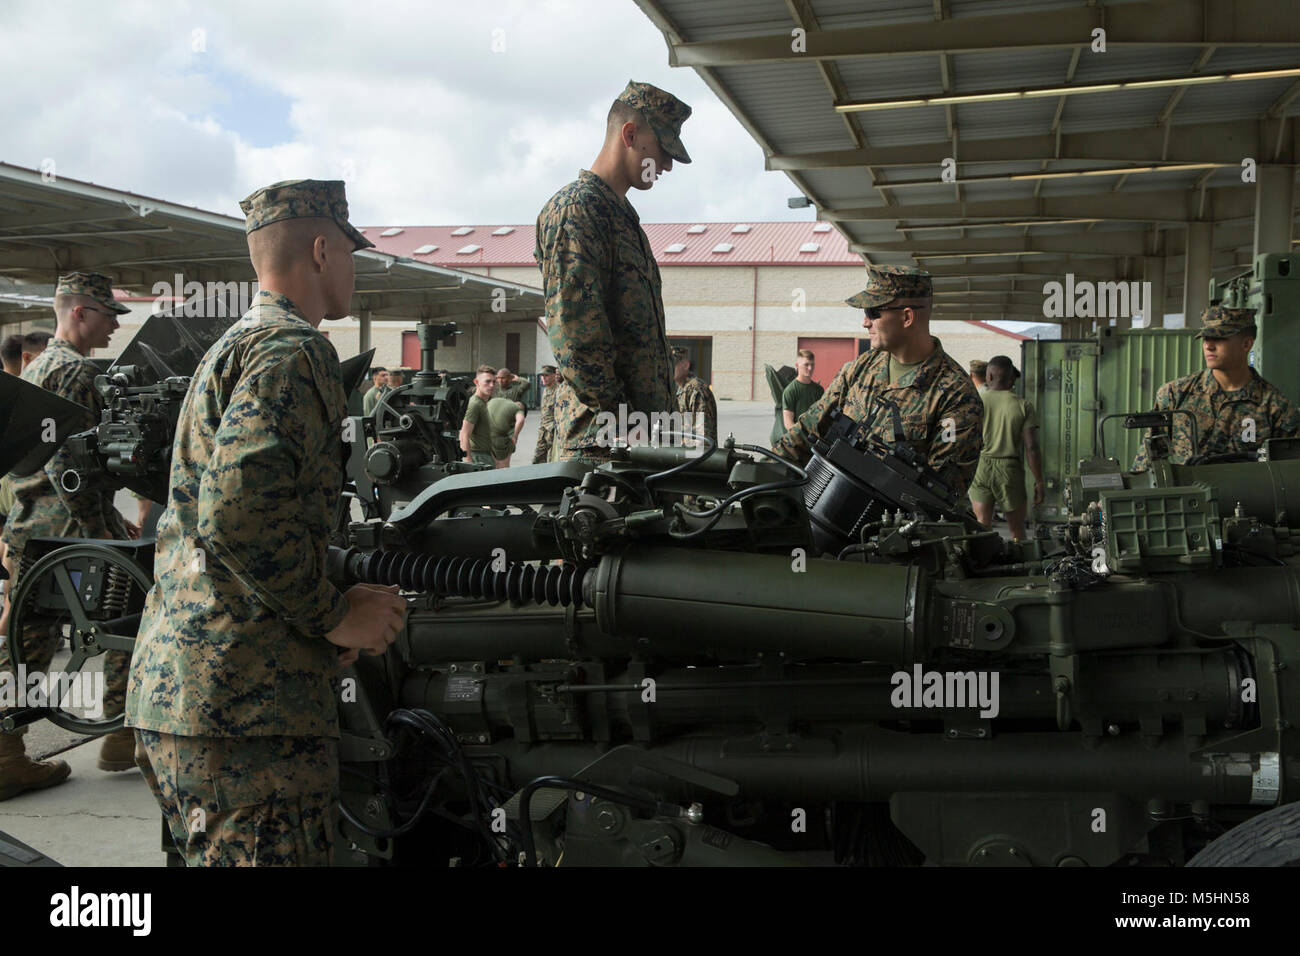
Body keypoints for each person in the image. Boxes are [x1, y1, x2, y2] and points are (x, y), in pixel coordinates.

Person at [125, 180, 407, 866]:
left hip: (190, 693)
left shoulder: (233, 346)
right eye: (348, 253)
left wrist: (316, 622)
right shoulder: (294, 350)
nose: (352, 270)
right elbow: (240, 517)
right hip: (248, 717)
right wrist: (330, 615)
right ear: (319, 249)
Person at [0, 272, 138, 800]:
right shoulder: (77, 371)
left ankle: (8, 752)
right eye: (107, 315)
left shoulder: (39, 366)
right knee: (136, 613)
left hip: (31, 528)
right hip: (68, 533)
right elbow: (71, 466)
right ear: (79, 312)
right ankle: (123, 729)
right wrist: (102, 528)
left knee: (25, 643)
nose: (112, 327)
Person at [535, 80, 690, 462]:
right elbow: (577, 337)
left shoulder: (621, 216)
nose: (668, 164)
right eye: (664, 150)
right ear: (630, 134)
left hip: (637, 444)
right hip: (605, 449)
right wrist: (628, 425)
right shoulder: (577, 210)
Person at [772, 266, 983, 497]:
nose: (865, 322)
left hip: (885, 528)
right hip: (824, 506)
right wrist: (764, 470)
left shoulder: (956, 395)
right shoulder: (860, 369)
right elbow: (808, 430)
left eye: (873, 312)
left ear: (907, 317)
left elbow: (940, 495)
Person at [1133, 306, 1300, 470]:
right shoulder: (1175, 394)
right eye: (1205, 338)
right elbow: (1147, 463)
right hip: (1189, 495)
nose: (1208, 346)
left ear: (1246, 344)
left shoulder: (1276, 407)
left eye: (1219, 338)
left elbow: (1288, 474)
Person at [968, 356, 1043, 540]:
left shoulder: (975, 402)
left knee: (982, 525)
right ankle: (1020, 566)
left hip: (980, 468)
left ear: (989, 376)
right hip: (1009, 470)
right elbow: (1031, 447)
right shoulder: (1023, 405)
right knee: (1016, 529)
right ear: (1011, 378)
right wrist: (1039, 481)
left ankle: (985, 564)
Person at [672, 346, 717, 446]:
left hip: (696, 456)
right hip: (681, 454)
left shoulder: (696, 390)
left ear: (685, 365)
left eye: (674, 364)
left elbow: (703, 436)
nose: (670, 367)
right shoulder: (678, 389)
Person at [460, 365, 499, 467]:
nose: (491, 385)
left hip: (487, 456)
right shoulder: (475, 404)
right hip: (478, 458)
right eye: (487, 381)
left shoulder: (484, 403)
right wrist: (469, 464)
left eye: (494, 382)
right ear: (476, 382)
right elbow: (464, 435)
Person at [781, 349, 824, 432]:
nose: (810, 368)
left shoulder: (819, 390)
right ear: (797, 365)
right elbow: (788, 424)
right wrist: (804, 435)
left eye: (812, 365)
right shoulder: (790, 391)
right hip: (800, 439)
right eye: (806, 365)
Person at [487, 396, 526, 468]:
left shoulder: (498, 401)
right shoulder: (516, 410)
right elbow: (521, 420)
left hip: (483, 436)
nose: (518, 406)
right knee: (503, 467)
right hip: (497, 439)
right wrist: (515, 437)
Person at [532, 365, 559, 463]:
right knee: (537, 459)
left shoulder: (559, 390)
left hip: (553, 431)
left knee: (554, 459)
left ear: (554, 376)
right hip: (543, 430)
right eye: (542, 376)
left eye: (546, 375)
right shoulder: (546, 390)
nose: (543, 378)